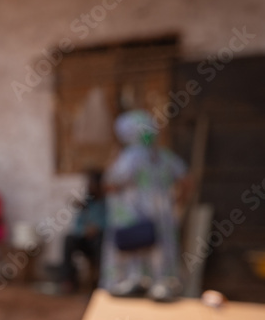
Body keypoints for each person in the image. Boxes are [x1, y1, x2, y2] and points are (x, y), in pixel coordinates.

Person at [100, 109, 189, 300]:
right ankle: (162, 285)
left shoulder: (129, 157)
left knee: (134, 245)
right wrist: (178, 203)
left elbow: (111, 184)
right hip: (162, 213)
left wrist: (113, 161)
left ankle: (133, 281)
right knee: (160, 248)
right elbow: (186, 179)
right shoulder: (164, 155)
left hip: (134, 212)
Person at [59, 169, 106, 293]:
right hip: (85, 240)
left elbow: (111, 223)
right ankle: (68, 281)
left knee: (101, 240)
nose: (90, 186)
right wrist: (84, 231)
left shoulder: (107, 203)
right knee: (69, 239)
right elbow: (77, 225)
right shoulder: (86, 203)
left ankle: (99, 282)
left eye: (93, 183)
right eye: (89, 183)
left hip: (99, 241)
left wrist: (97, 228)